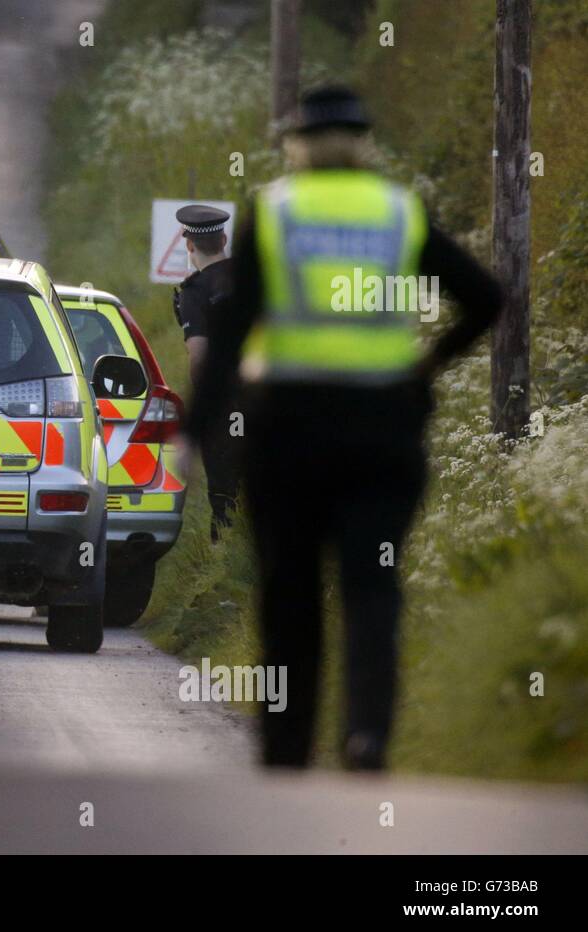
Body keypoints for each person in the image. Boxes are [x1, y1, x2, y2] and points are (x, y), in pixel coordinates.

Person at [182, 86, 503, 771]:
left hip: (289, 431)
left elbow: (232, 332)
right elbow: (487, 296)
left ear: (295, 144)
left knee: (290, 592)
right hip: (382, 430)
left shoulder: (276, 211)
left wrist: (193, 432)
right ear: (363, 142)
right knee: (373, 588)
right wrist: (429, 364)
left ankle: (288, 750)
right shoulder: (396, 211)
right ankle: (366, 738)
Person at [173, 204, 239, 541]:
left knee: (226, 495)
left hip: (227, 408)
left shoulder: (194, 294)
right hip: (274, 398)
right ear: (224, 238)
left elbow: (199, 358)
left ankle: (226, 561)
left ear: (189, 245)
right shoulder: (251, 277)